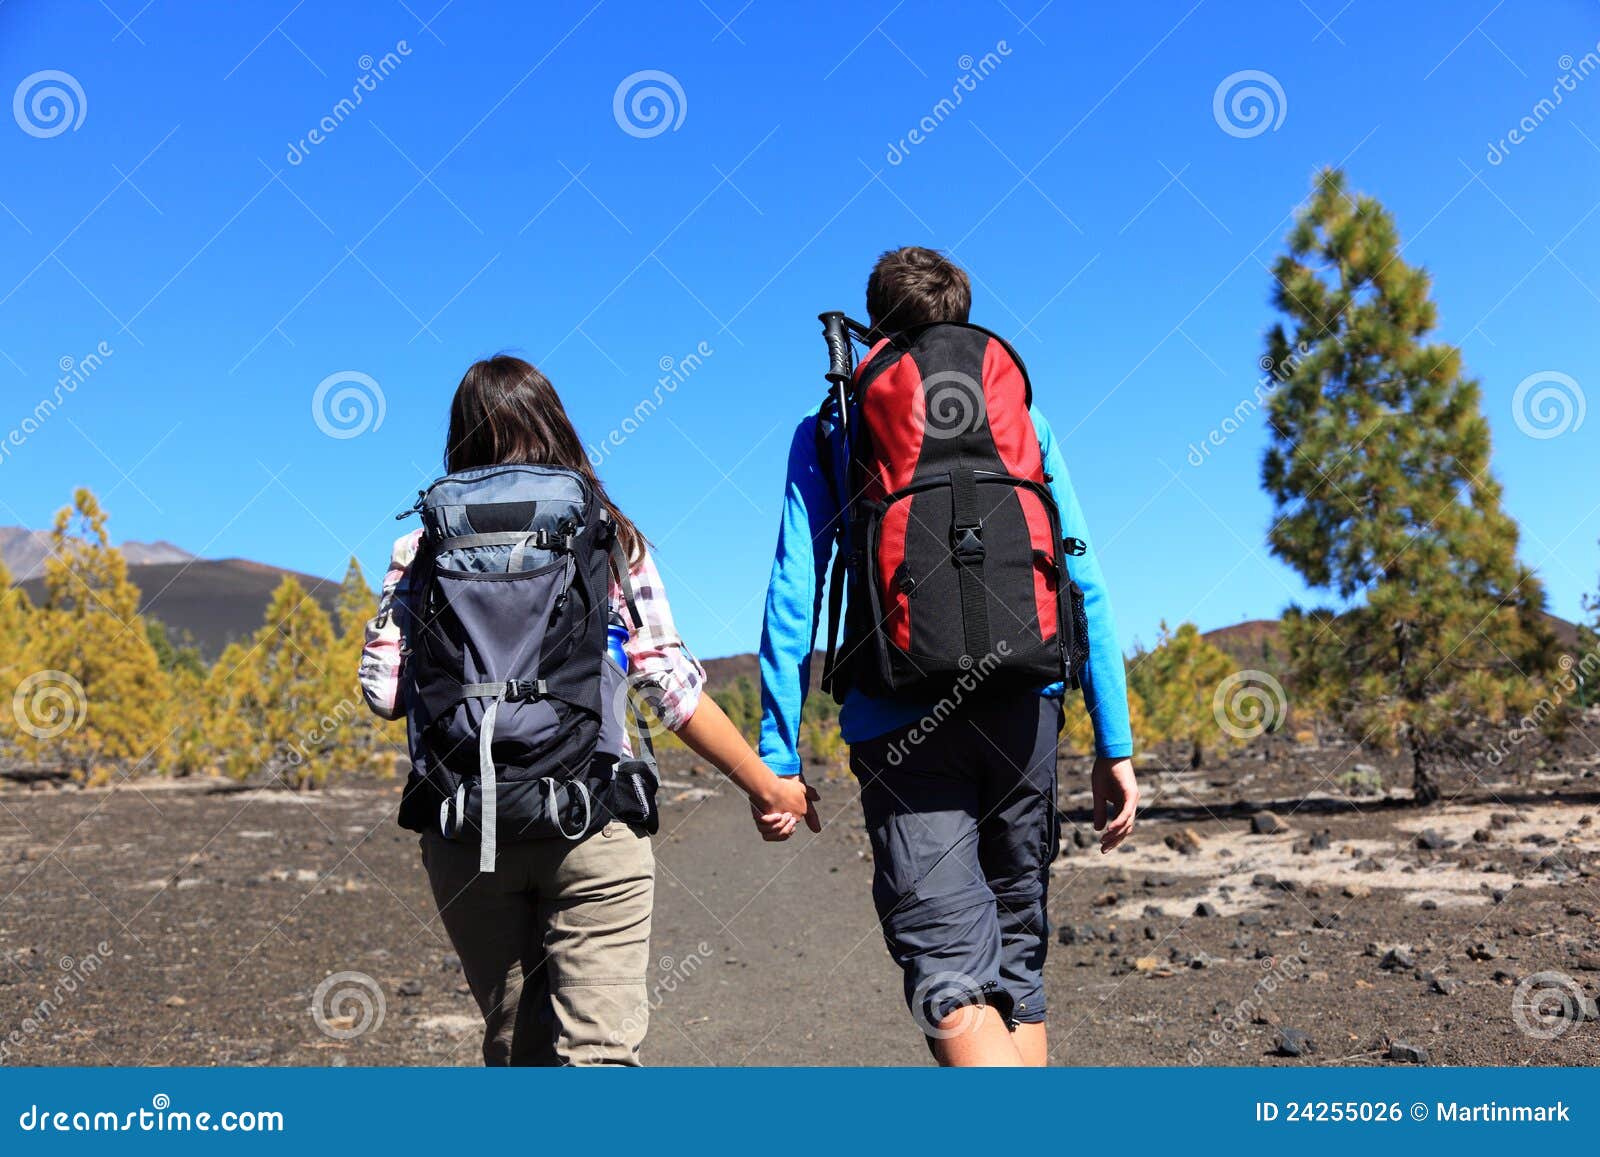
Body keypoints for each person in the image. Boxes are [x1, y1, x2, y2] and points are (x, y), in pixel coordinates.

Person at [360, 355, 817, 1066]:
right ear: (556, 426)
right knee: (599, 1056)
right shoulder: (606, 535)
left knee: (519, 1053)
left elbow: (384, 692)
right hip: (592, 818)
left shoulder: (421, 545)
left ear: (459, 436)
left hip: (467, 827)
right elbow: (668, 687)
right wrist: (767, 786)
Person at [758, 247, 1138, 1066]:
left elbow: (794, 589)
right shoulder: (1020, 417)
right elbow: (1082, 574)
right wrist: (1115, 742)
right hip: (1025, 709)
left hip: (901, 718)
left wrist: (778, 754)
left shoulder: (836, 423)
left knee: (947, 969)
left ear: (874, 329)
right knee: (1016, 960)